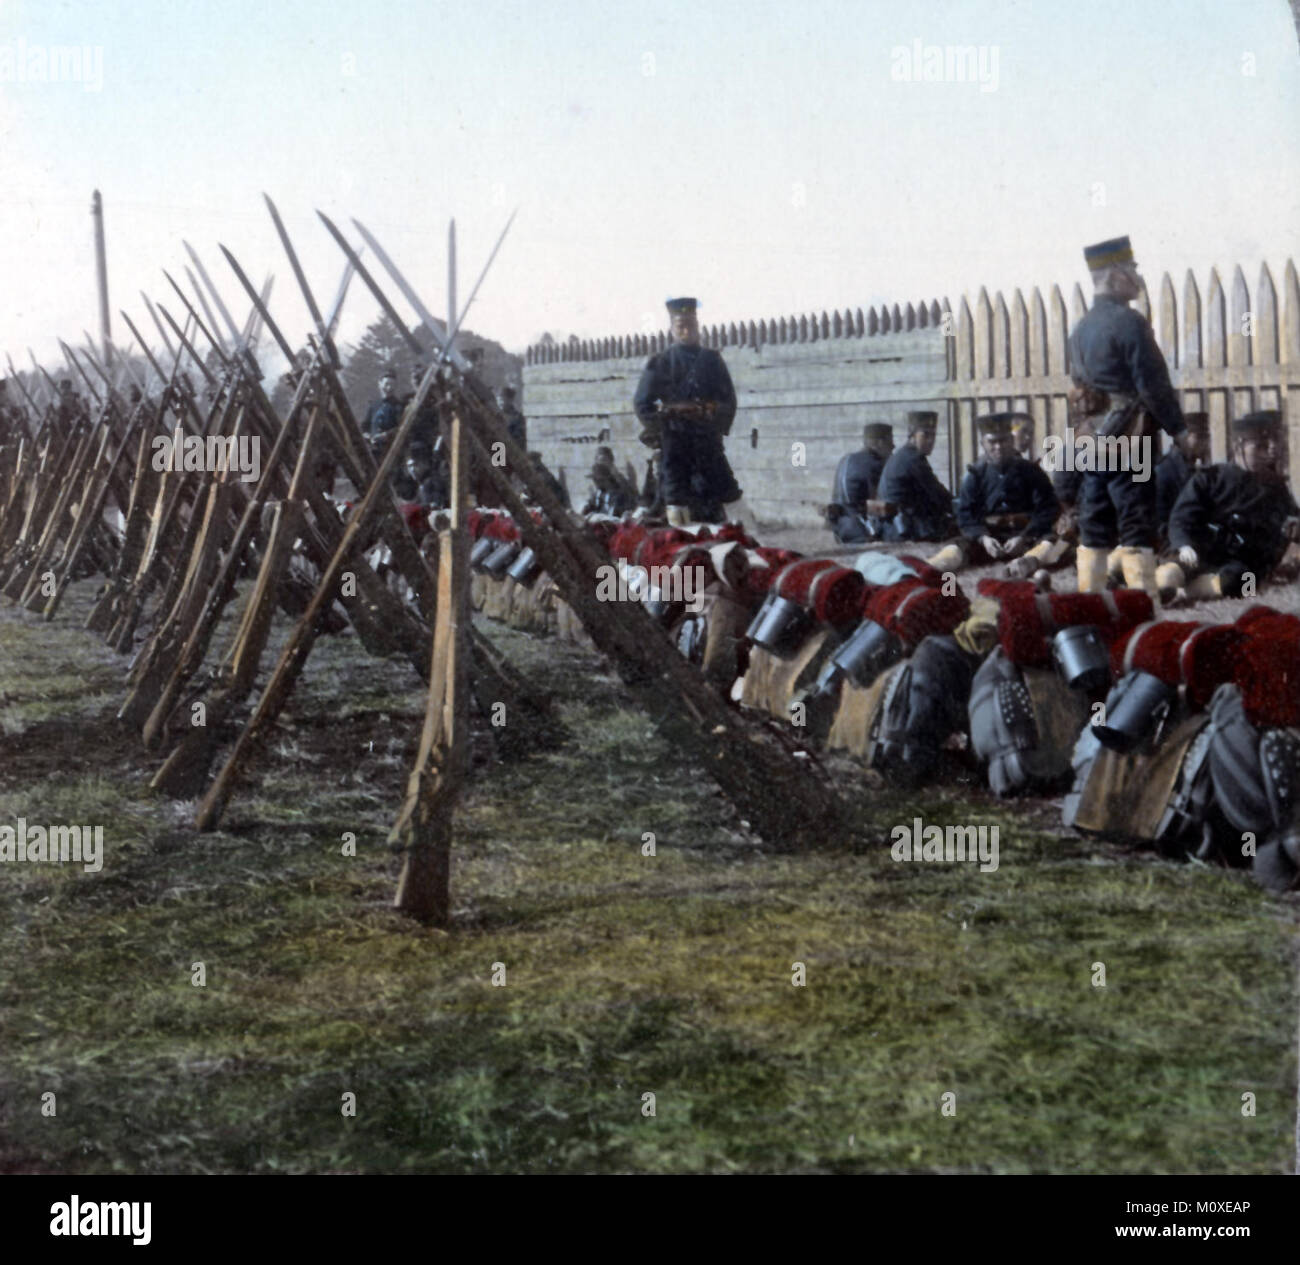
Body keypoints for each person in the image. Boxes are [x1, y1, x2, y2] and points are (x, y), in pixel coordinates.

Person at [1067, 235, 1192, 599]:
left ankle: (1090, 603)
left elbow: (1081, 388)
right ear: (1112, 274)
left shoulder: (1079, 329)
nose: (1137, 277)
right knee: (1136, 517)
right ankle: (1145, 608)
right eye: (1132, 270)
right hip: (1131, 439)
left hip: (1093, 437)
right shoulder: (1130, 323)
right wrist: (1180, 430)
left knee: (1094, 516)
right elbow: (1154, 386)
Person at [1157, 410, 1300, 601]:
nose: (1268, 453)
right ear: (1238, 446)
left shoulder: (1275, 486)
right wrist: (1184, 545)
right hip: (1200, 549)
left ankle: (1190, 591)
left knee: (1245, 583)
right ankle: (1166, 583)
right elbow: (1182, 517)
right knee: (1174, 570)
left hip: (1241, 562)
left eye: (1272, 446)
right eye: (1260, 446)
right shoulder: (1210, 479)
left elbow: (1294, 519)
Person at [633, 296, 741, 525]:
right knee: (676, 501)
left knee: (729, 494)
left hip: (707, 442)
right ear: (672, 329)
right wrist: (662, 427)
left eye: (691, 325)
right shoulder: (661, 362)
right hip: (675, 444)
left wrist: (709, 413)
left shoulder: (712, 361)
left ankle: (749, 547)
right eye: (681, 326)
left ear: (698, 326)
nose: (686, 331)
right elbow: (642, 403)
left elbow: (728, 400)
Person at [925, 414, 1059, 576]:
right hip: (990, 540)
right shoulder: (976, 475)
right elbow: (965, 514)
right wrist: (983, 538)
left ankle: (1024, 564)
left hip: (1025, 536)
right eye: (992, 442)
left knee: (1051, 543)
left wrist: (1024, 536)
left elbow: (1047, 508)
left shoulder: (1031, 472)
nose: (998, 447)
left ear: (1011, 440)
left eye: (1003, 441)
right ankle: (928, 569)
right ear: (983, 444)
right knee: (957, 547)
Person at [876, 410, 955, 540]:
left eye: (933, 436)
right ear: (912, 435)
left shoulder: (903, 455)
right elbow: (938, 494)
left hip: (893, 528)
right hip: (906, 530)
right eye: (925, 435)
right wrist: (962, 509)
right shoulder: (912, 459)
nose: (930, 441)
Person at [826, 422, 894, 543]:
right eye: (890, 442)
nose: (893, 447)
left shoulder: (846, 458)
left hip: (839, 529)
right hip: (860, 529)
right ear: (880, 443)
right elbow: (879, 502)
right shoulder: (874, 464)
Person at [1155, 410, 1211, 535]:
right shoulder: (1164, 471)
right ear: (1183, 437)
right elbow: (1159, 521)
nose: (1205, 443)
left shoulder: (1199, 469)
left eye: (1207, 437)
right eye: (1200, 437)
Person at [582, 447, 636, 517]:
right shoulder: (596, 473)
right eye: (598, 460)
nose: (601, 463)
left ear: (611, 461)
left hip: (615, 510)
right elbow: (594, 499)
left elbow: (628, 495)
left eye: (604, 460)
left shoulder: (618, 478)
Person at [363, 370, 403, 450]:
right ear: (380, 384)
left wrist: (386, 435)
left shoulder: (399, 405)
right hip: (373, 448)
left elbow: (401, 427)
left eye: (392, 385)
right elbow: (364, 427)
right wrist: (368, 436)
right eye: (386, 384)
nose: (389, 388)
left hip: (391, 449)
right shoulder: (374, 405)